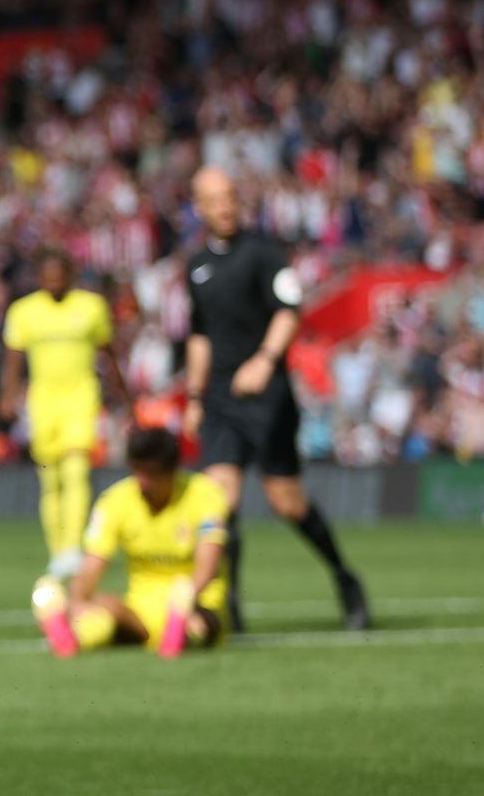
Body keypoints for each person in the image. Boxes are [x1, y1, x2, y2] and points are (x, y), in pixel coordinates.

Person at [184, 166, 368, 631]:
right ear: (199, 207)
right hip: (220, 398)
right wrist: (194, 396)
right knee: (219, 502)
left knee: (286, 502)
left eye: (230, 196)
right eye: (214, 199)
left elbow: (289, 310)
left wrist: (264, 361)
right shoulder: (195, 265)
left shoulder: (264, 253)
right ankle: (230, 604)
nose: (225, 206)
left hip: (267, 395)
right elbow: (199, 336)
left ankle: (344, 576)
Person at [30, 427, 228, 659]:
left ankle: (179, 625)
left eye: (151, 474)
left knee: (194, 620)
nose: (143, 482)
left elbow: (206, 567)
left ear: (172, 471)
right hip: (140, 612)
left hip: (197, 602)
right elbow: (91, 566)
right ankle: (69, 636)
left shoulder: (205, 495)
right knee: (102, 610)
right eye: (137, 471)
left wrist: (187, 595)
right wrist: (78, 603)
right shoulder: (115, 500)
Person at [0, 249, 128, 578]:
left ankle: (72, 547)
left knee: (76, 471)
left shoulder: (91, 307)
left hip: (81, 399)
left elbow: (108, 351)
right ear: (39, 278)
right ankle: (57, 550)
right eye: (48, 275)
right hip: (42, 403)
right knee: (50, 478)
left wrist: (122, 392)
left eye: (59, 275)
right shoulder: (23, 311)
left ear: (70, 275)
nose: (54, 281)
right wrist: (7, 395)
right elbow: (13, 358)